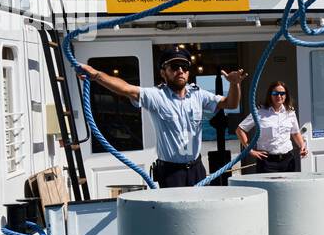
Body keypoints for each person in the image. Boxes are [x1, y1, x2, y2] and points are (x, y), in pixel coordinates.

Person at [81, 46, 244, 187]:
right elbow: (126, 88)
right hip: (171, 172)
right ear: (163, 73)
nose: (180, 70)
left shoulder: (198, 95)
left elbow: (230, 103)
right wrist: (96, 75)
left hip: (196, 169)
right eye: (174, 66)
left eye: (184, 66)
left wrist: (234, 84)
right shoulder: (156, 96)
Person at [237, 80, 307, 173]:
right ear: (270, 94)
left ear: (286, 95)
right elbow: (240, 129)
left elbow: (295, 133)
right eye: (275, 93)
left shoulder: (290, 112)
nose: (279, 96)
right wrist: (250, 150)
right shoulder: (259, 112)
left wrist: (302, 146)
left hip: (288, 160)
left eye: (282, 93)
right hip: (267, 161)